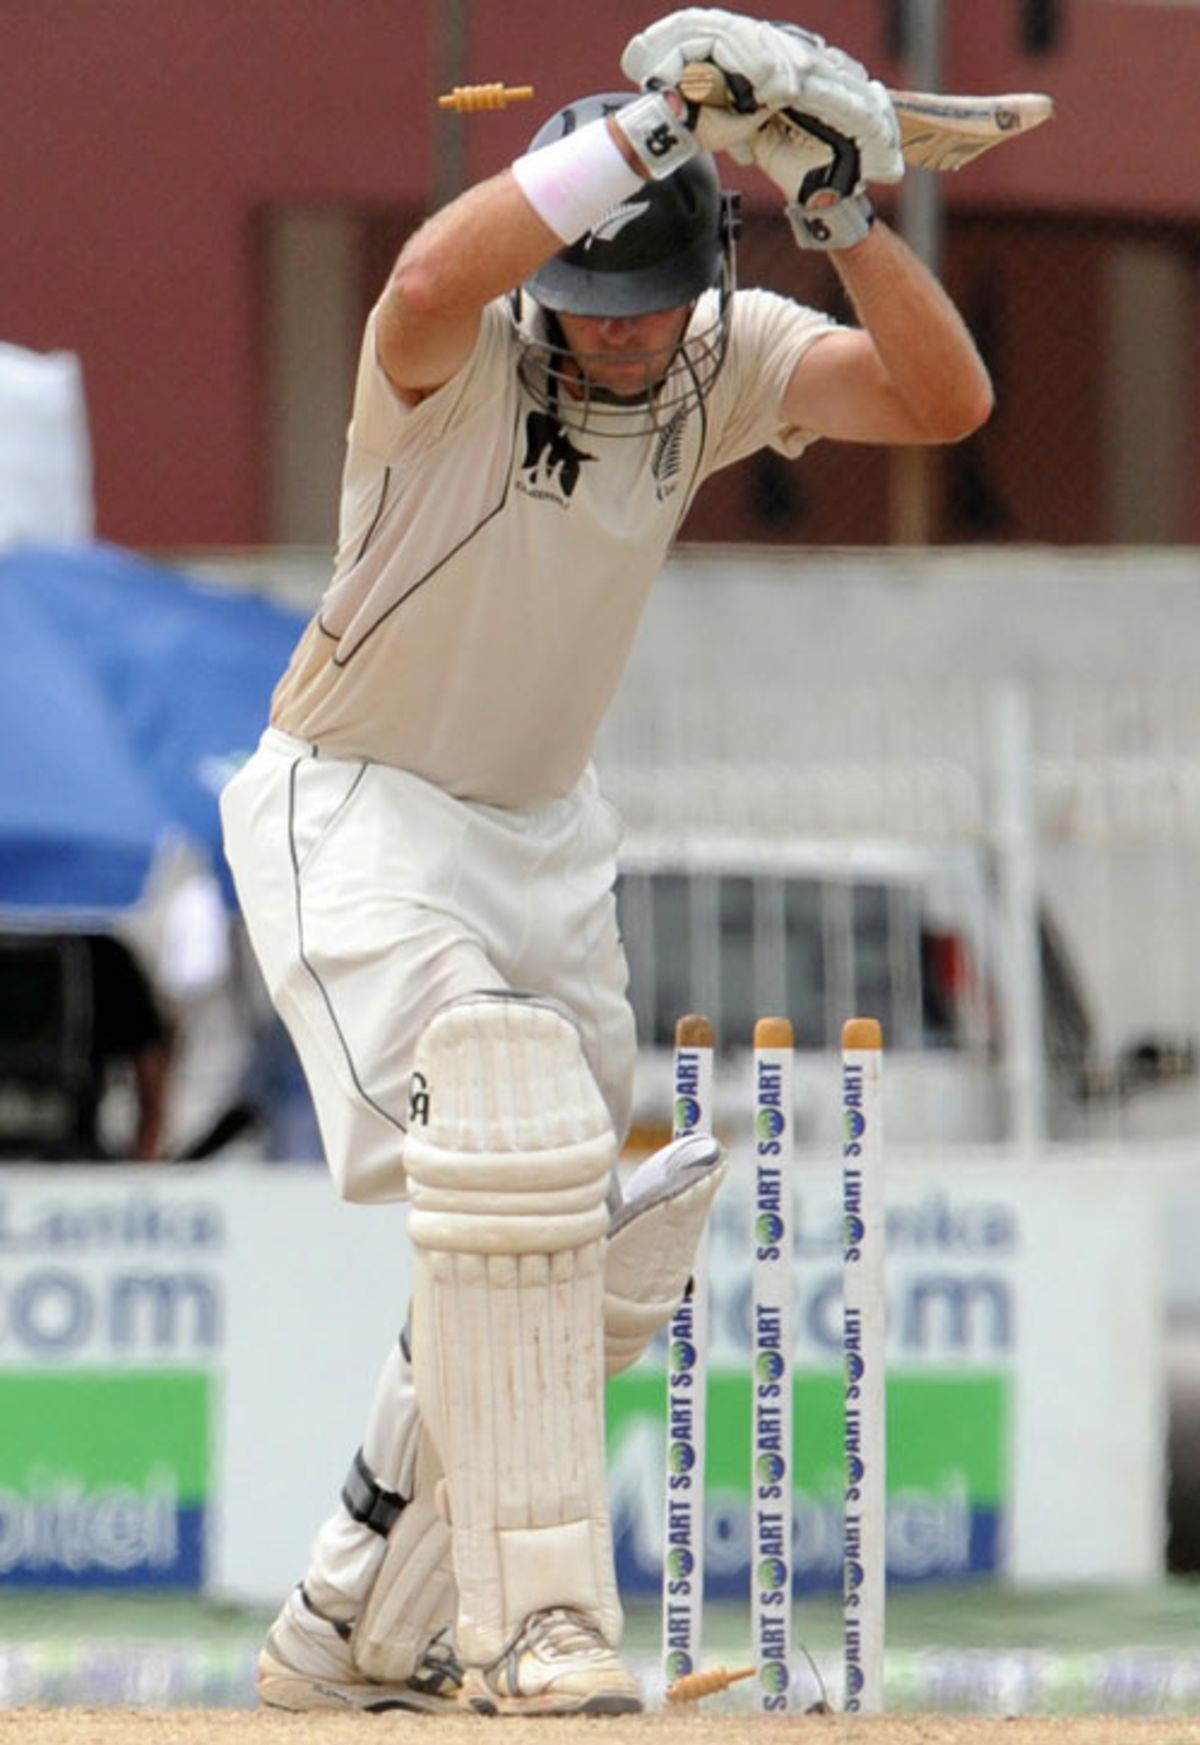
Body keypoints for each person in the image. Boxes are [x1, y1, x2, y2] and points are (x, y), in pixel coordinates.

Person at [220, 7, 992, 1718]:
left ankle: (351, 1612)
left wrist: (842, 211)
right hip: (360, 804)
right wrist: (659, 133)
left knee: (571, 1239)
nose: (621, 349)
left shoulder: (723, 353)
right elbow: (422, 282)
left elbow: (945, 401)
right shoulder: (462, 349)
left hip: (544, 838)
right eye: (592, 314)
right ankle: (539, 1626)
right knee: (509, 1152)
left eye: (646, 319)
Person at [0, 930, 171, 1162]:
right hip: (72, 1165)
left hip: (72, 1161)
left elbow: (151, 1070)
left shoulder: (104, 955)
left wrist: (142, 1165)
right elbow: (152, 1070)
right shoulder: (102, 952)